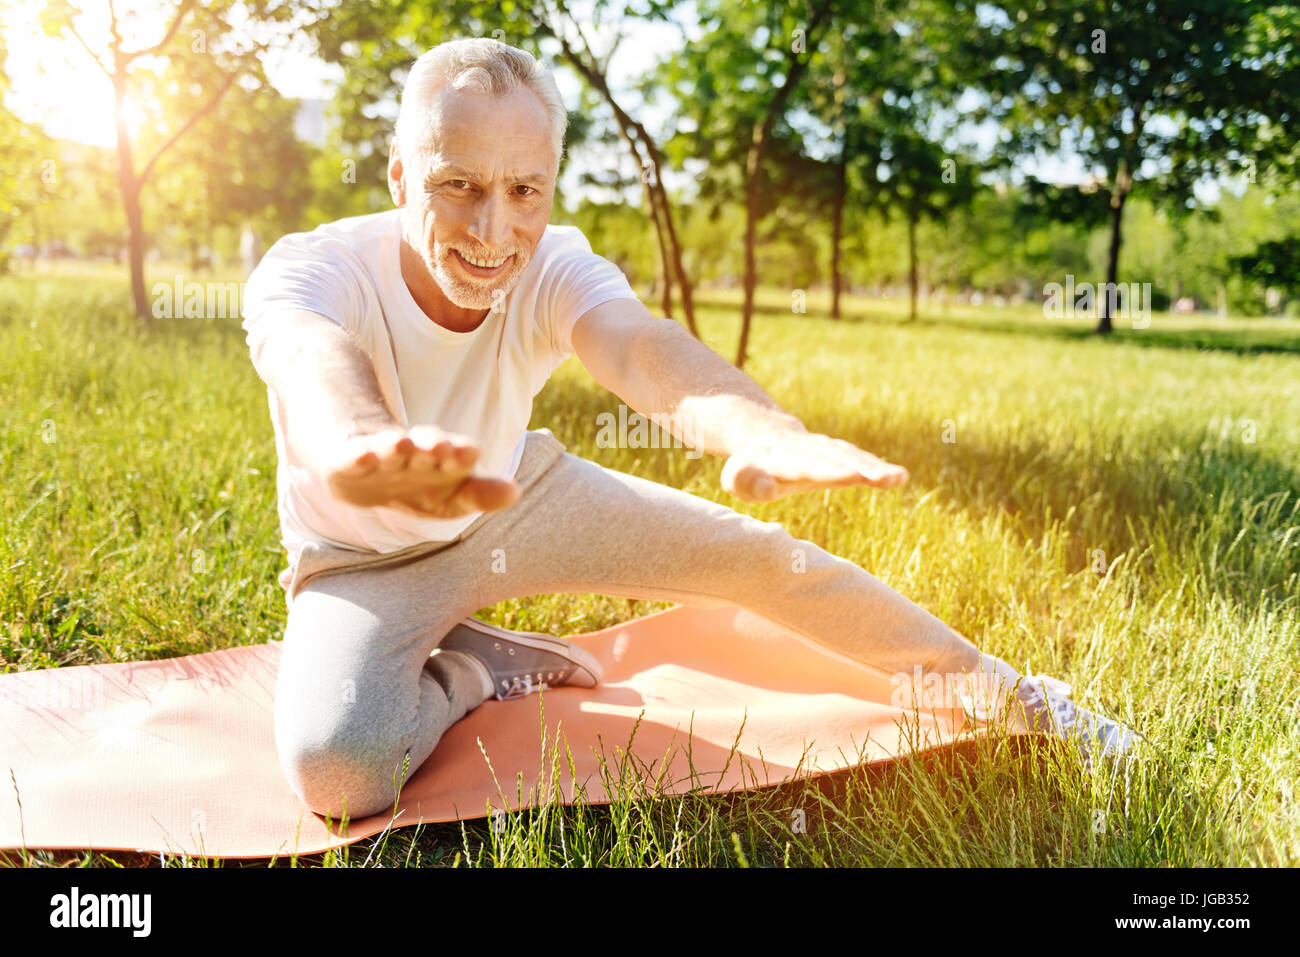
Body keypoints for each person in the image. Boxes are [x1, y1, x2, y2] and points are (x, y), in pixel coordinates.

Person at [240, 38, 1135, 822]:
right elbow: (313, 357)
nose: (493, 227)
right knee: (336, 766)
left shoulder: (554, 262)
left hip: (513, 497)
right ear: (400, 175)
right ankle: (468, 671)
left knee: (764, 557)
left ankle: (1018, 699)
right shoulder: (313, 269)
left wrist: (756, 426)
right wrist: (367, 448)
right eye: (458, 186)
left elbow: (640, 348)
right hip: (361, 562)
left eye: (525, 191)